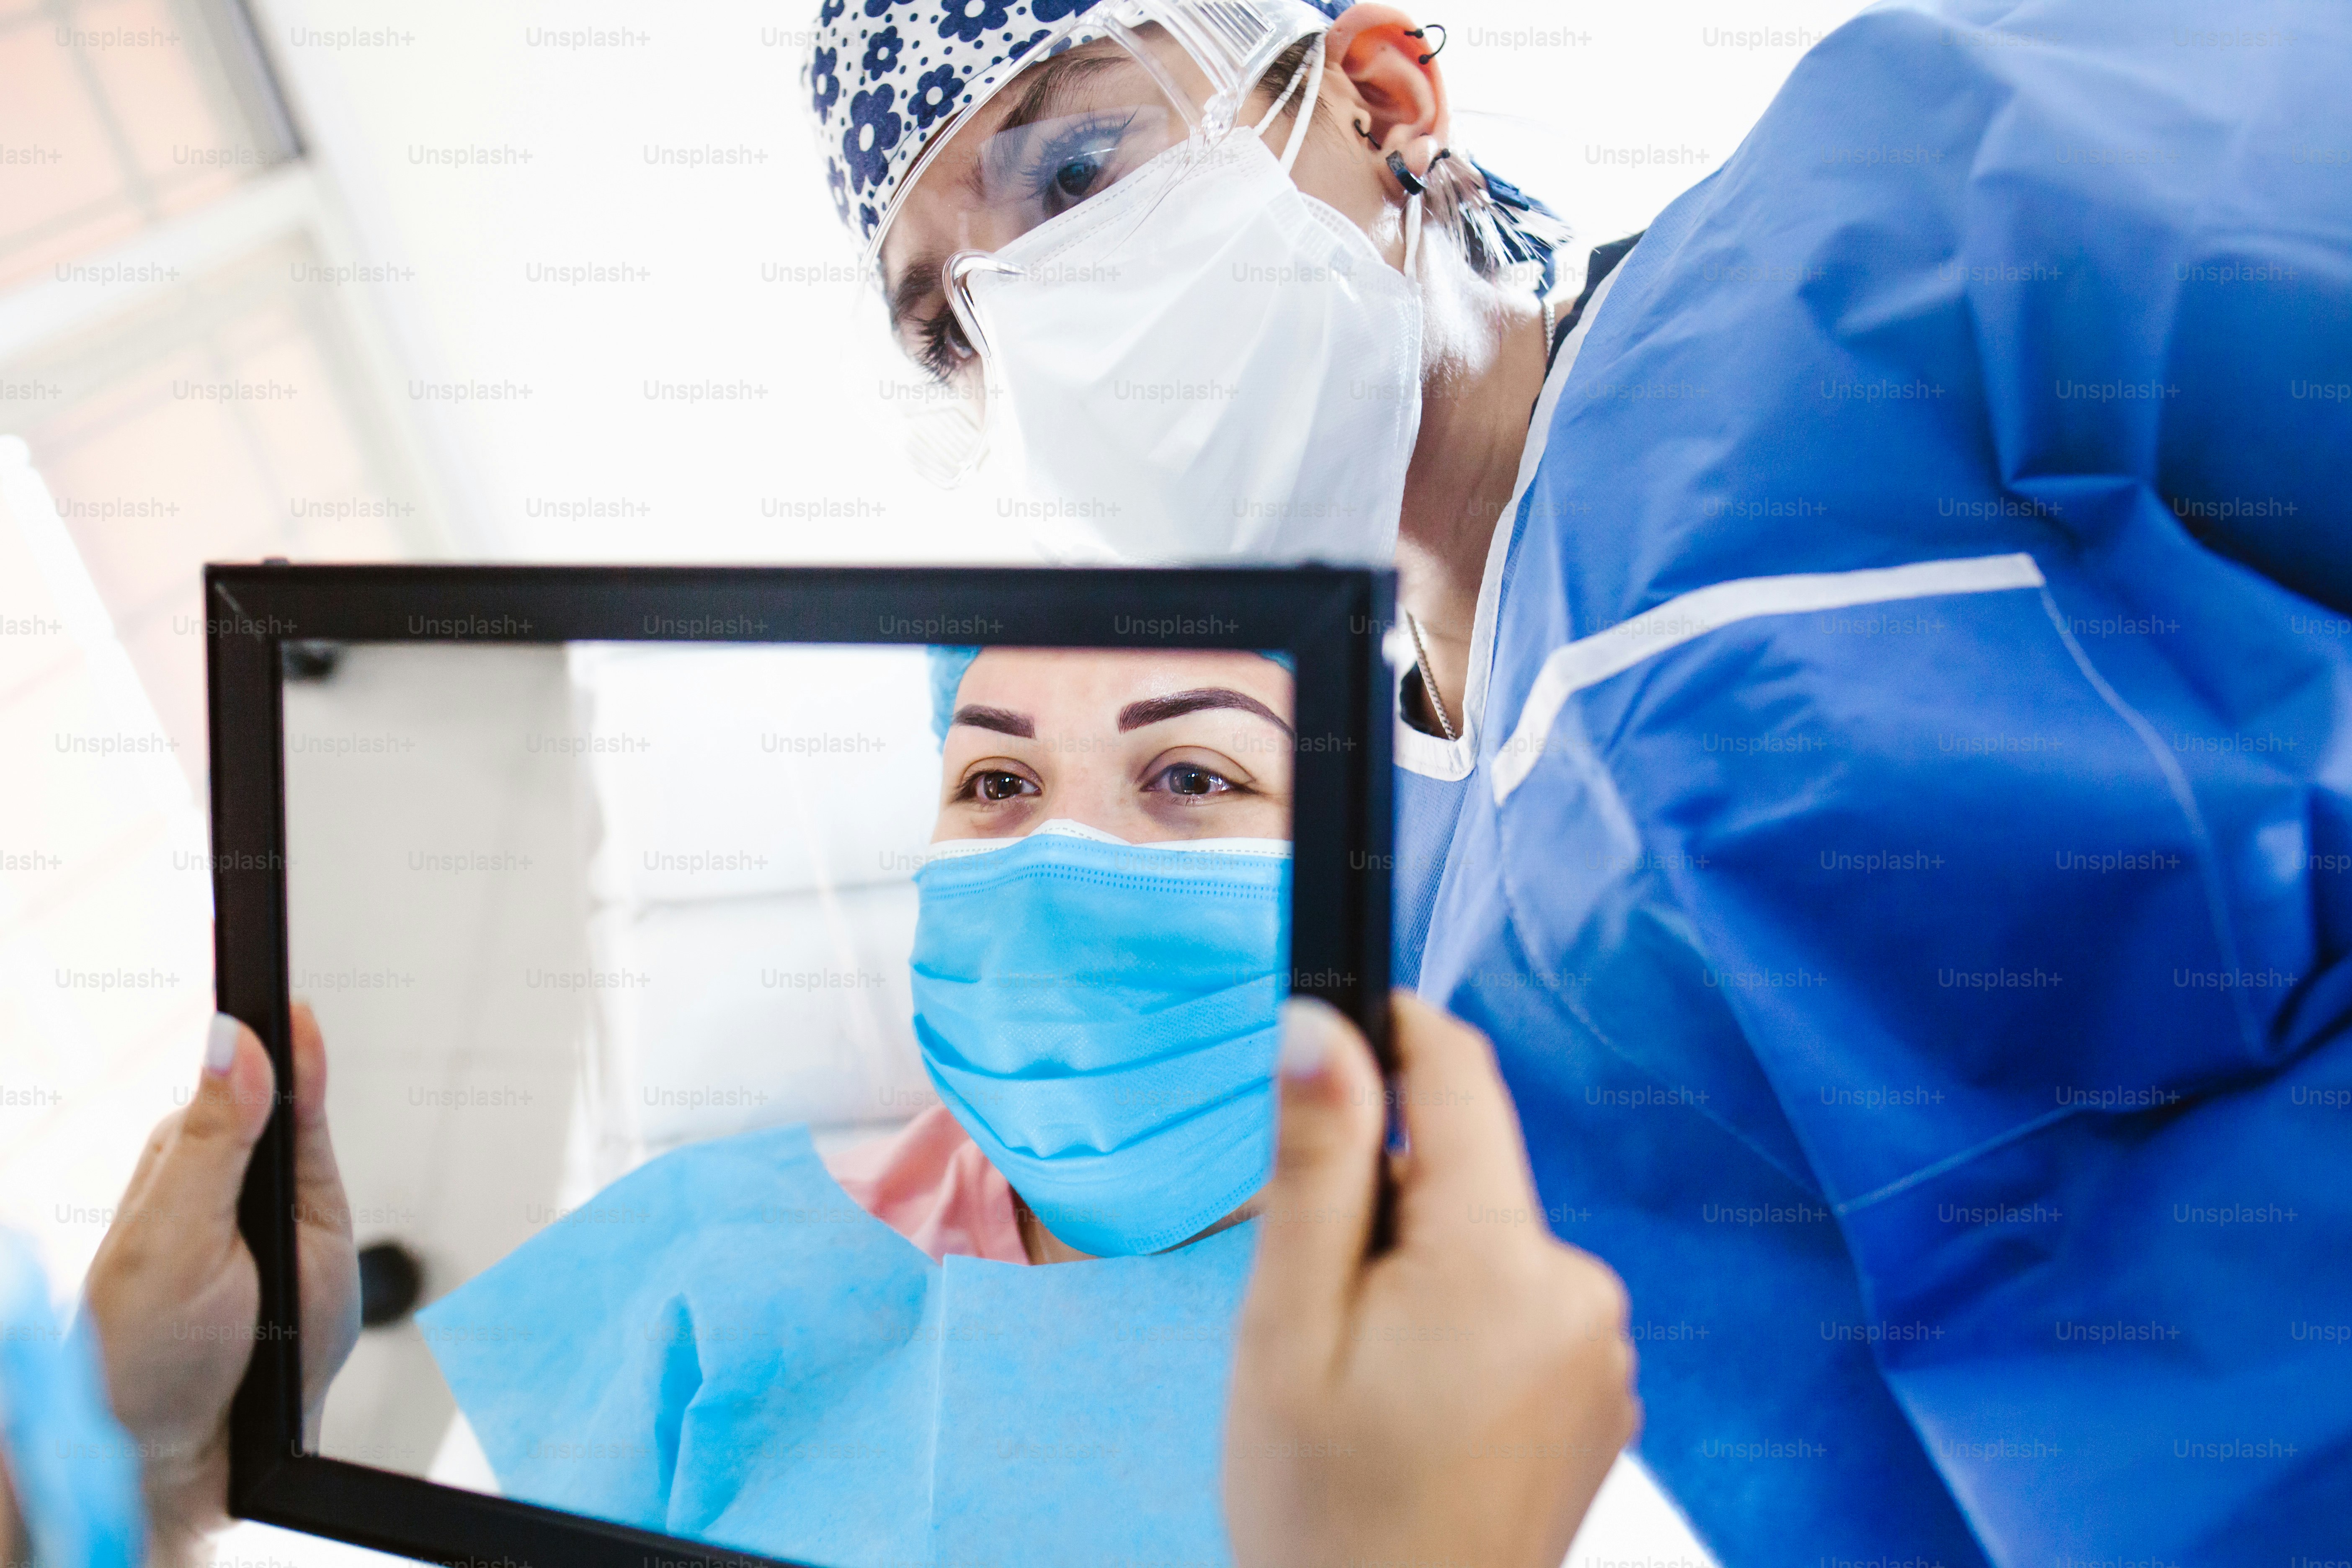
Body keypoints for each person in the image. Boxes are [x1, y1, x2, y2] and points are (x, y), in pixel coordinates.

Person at [799, 0, 2352, 1561]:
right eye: (951, 326)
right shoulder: (1393, 865)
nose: (1035, 326)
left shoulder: (1891, 231)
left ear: (1382, 99)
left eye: (1075, 176)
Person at [8, 993, 1635, 1568]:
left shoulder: (1462, 1339)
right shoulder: (722, 1239)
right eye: (992, 781)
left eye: (1187, 778)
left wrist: (156, 1482)